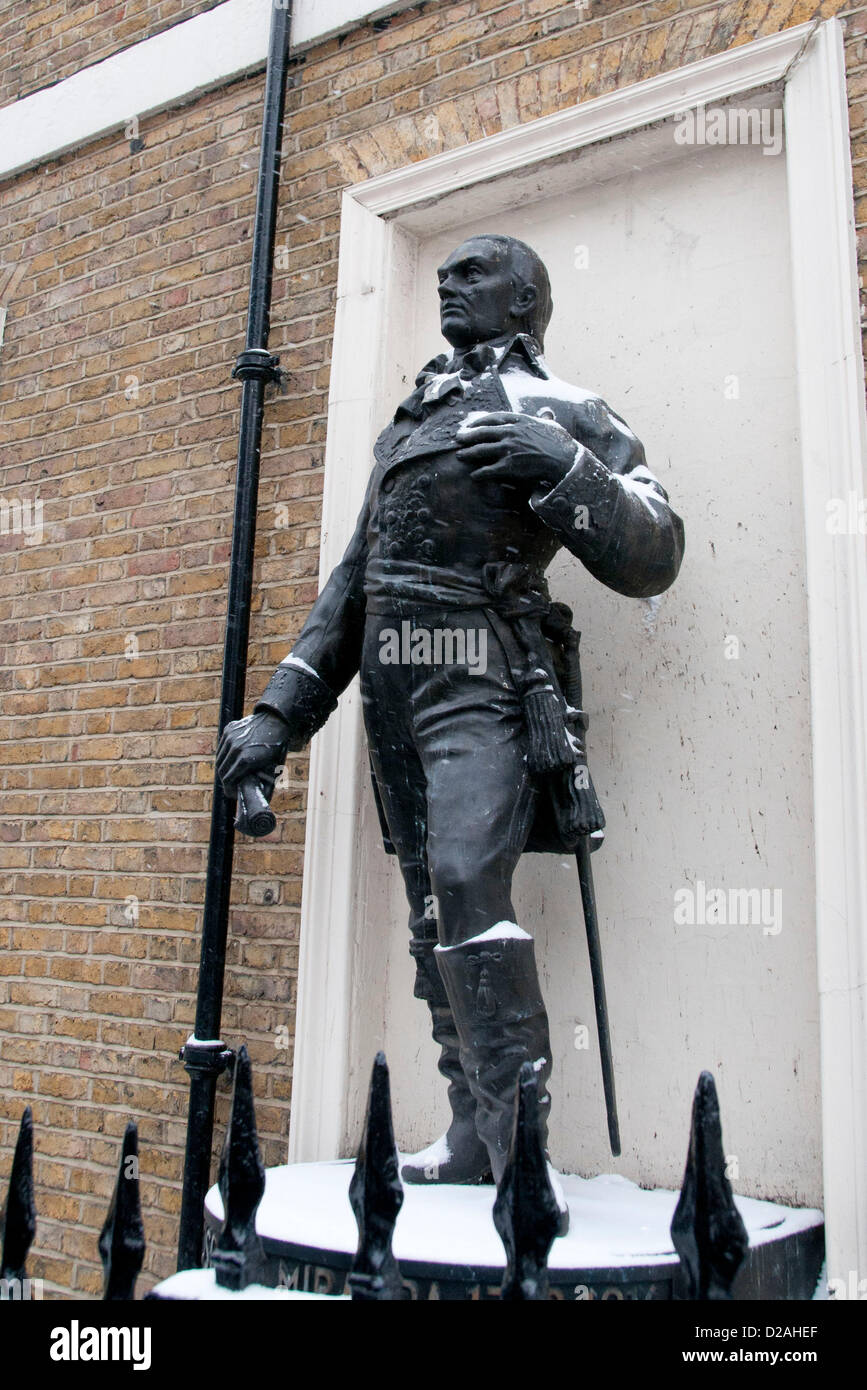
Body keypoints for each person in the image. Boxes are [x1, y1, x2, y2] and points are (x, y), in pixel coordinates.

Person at [216, 235, 684, 1222]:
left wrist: (562, 466)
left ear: (526, 302)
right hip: (393, 685)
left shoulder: (567, 412)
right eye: (443, 276)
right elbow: (350, 588)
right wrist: (276, 716)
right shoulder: (408, 427)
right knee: (432, 901)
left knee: (471, 877)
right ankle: (473, 1129)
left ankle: (523, 1156)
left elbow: (655, 546)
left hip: (486, 670)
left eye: (472, 275)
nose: (448, 286)